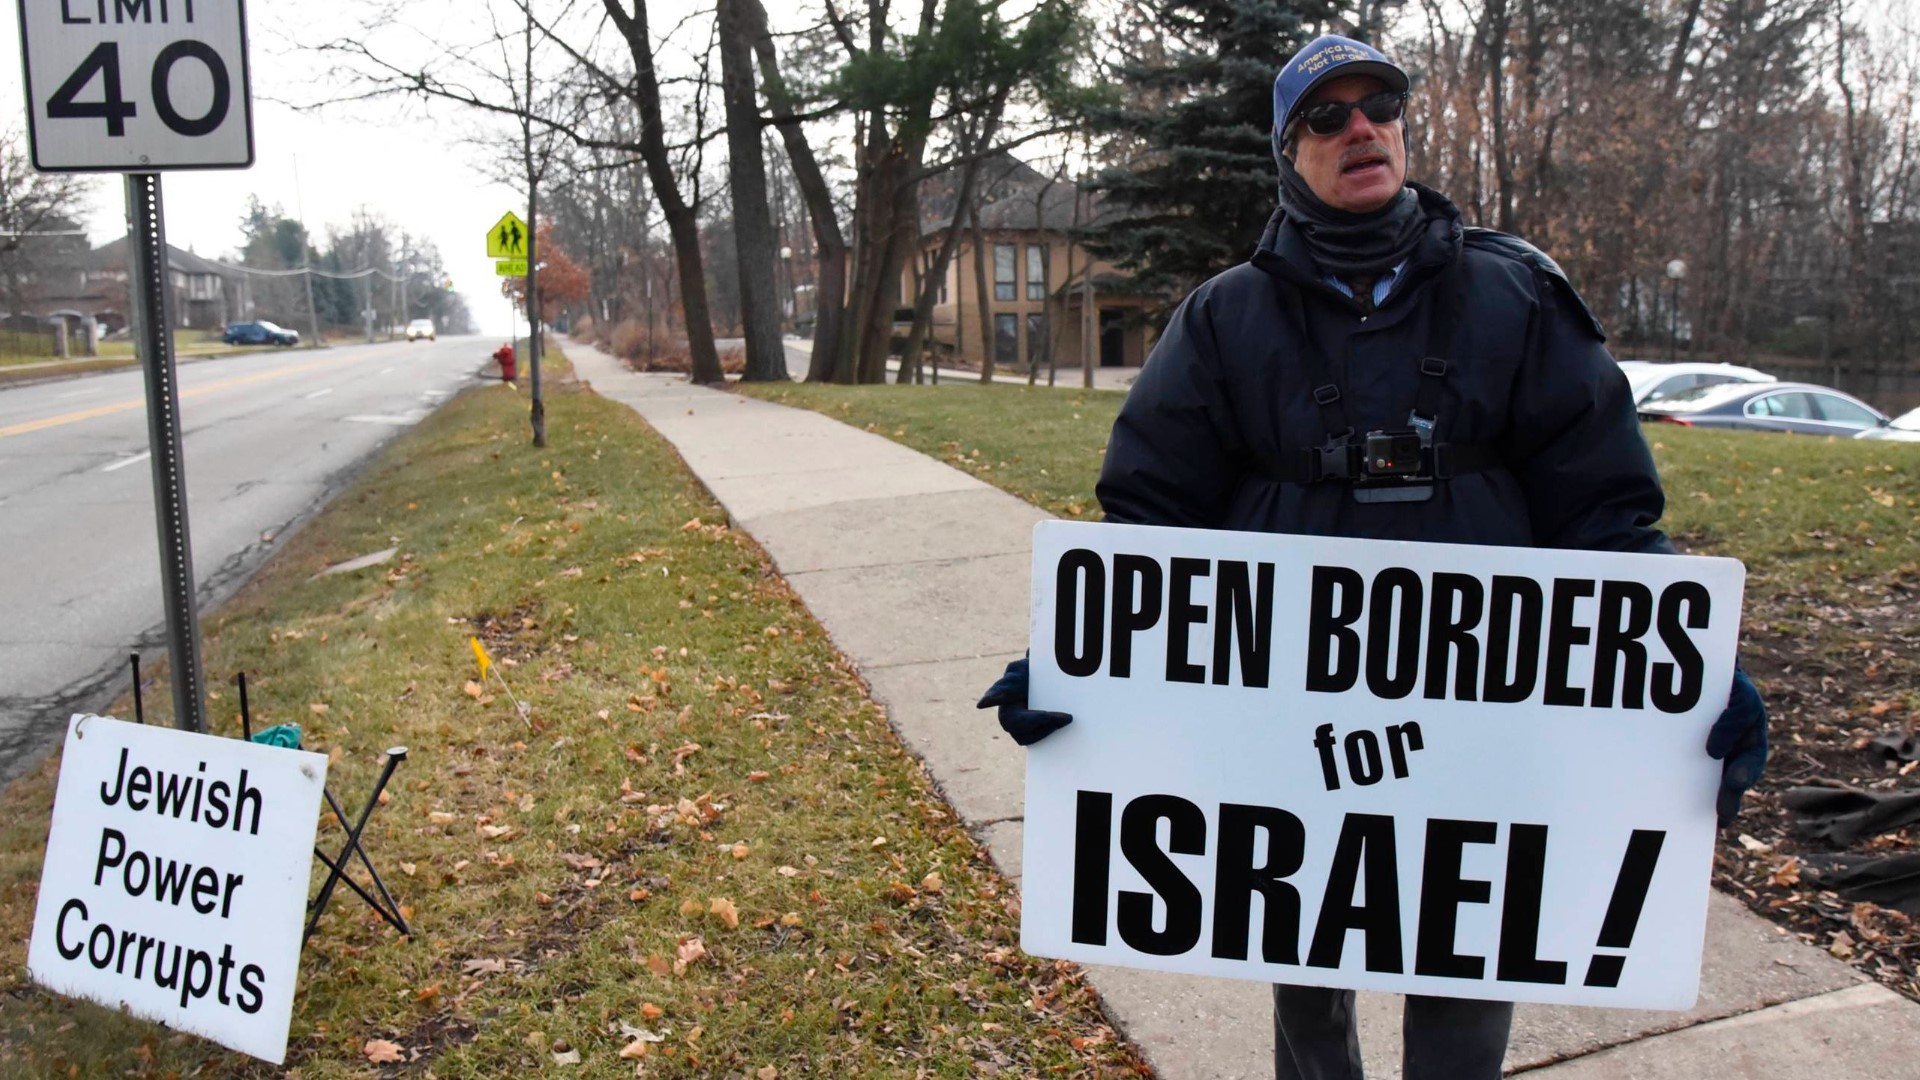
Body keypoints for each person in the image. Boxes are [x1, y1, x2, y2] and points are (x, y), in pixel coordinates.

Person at [977, 33, 1769, 1080]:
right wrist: (1082, 665)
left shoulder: (1517, 297)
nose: (1360, 127)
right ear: (1287, 149)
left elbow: (1607, 508)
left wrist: (1689, 671)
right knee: (1303, 959)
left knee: (1471, 951)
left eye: (1379, 104)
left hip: (1491, 706)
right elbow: (1151, 520)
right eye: (1326, 114)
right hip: (1285, 718)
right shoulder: (1223, 319)